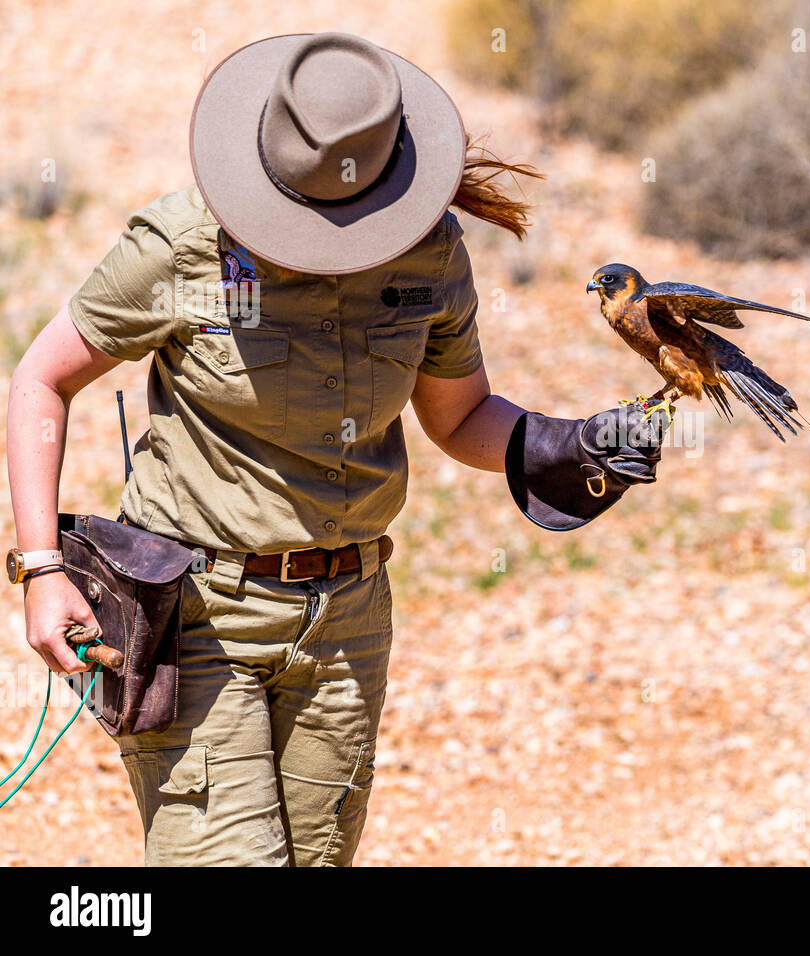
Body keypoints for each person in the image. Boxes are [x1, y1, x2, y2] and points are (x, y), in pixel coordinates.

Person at [5, 32, 664, 866]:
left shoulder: (430, 252)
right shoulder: (183, 244)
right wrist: (40, 567)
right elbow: (40, 380)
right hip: (199, 614)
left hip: (349, 626)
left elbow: (460, 418)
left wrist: (558, 446)